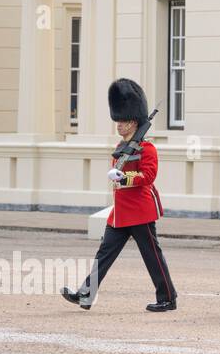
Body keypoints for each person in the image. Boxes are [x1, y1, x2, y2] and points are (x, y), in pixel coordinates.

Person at [61, 79, 176, 312]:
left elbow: (149, 176)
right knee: (104, 254)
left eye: (123, 121)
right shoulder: (121, 147)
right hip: (121, 212)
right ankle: (85, 294)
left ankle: (168, 298)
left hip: (140, 210)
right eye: (118, 121)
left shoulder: (147, 148)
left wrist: (125, 178)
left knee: (151, 255)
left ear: (134, 122)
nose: (119, 125)